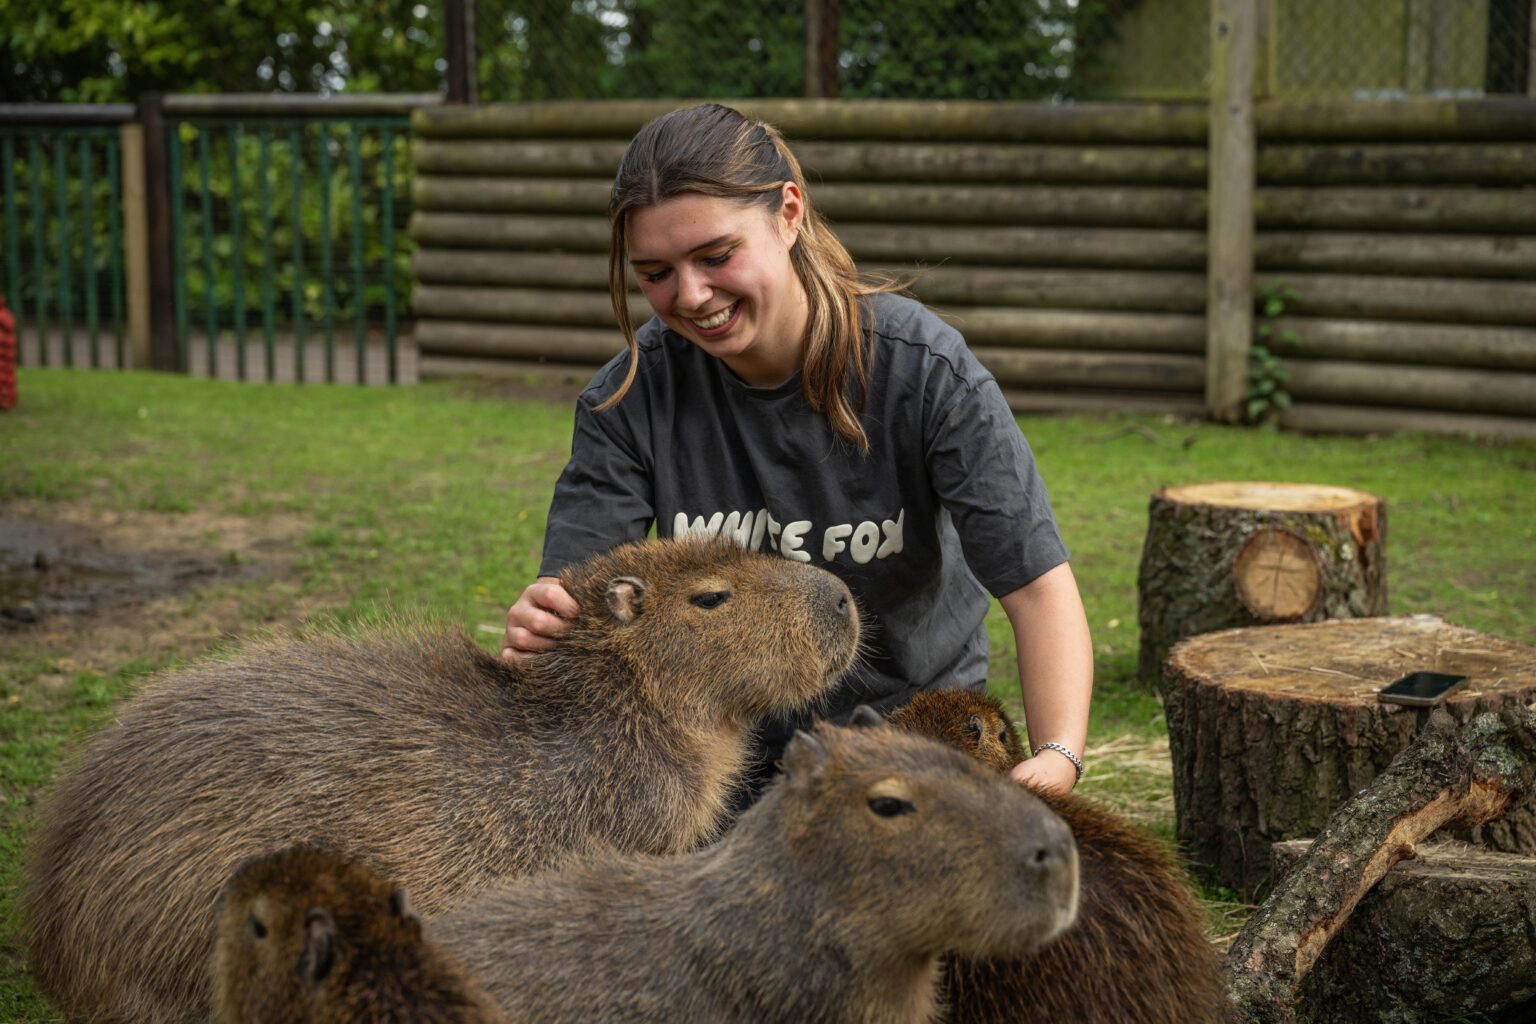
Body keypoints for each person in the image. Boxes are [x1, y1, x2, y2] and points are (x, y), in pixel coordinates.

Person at [502, 102, 1092, 798]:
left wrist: (1057, 757)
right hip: (722, 748)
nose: (691, 296)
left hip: (911, 739)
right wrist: (545, 619)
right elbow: (583, 605)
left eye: (717, 256)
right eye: (655, 272)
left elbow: (1037, 589)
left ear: (789, 214)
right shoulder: (627, 396)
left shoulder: (924, 370)